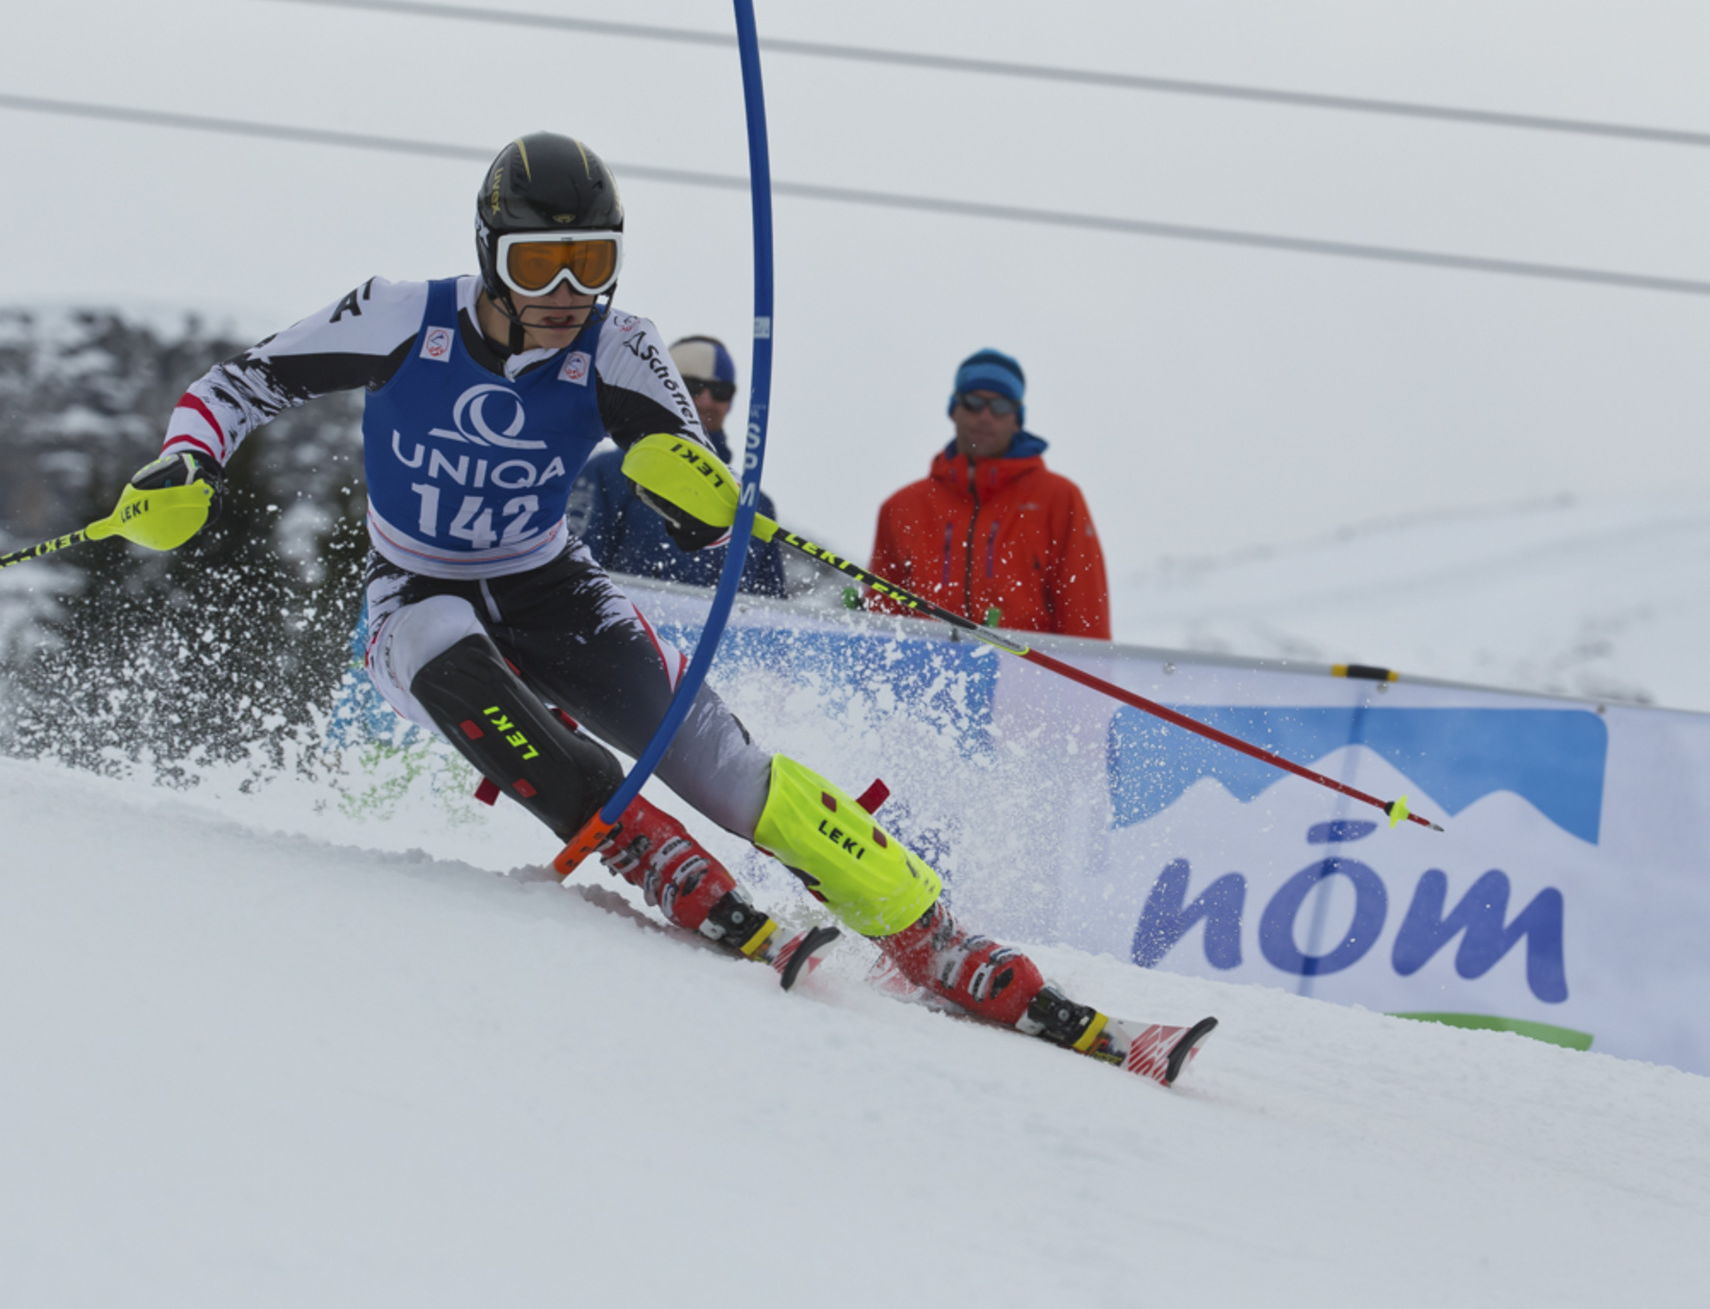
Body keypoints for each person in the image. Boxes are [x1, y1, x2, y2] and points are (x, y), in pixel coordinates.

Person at [127, 133, 1198, 1079]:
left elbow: (694, 498)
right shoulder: (405, 316)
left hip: (552, 584)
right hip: (415, 589)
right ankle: (639, 846)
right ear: (486, 252)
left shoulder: (618, 343)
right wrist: (186, 463)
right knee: (448, 656)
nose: (563, 289)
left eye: (589, 261)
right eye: (536, 262)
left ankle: (934, 934)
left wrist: (697, 494)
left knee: (722, 768)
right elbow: (234, 385)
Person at [870, 348, 1110, 638]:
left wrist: (1090, 678)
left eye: (1000, 406)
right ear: (953, 409)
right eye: (973, 402)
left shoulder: (1059, 498)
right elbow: (879, 623)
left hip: (1027, 677)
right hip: (923, 676)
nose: (985, 416)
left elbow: (1085, 616)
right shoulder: (901, 507)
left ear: (1017, 417)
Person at [567, 334, 785, 596]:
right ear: (666, 390)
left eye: (720, 391)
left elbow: (773, 613)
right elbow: (573, 577)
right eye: (692, 386)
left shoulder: (754, 503)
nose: (706, 401)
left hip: (723, 636)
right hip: (632, 631)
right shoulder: (609, 473)